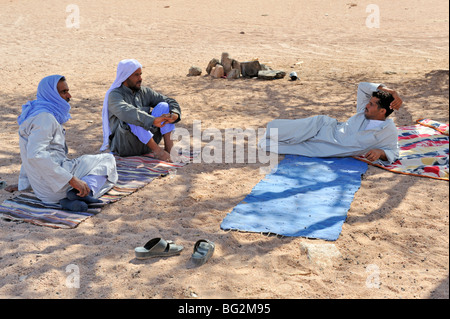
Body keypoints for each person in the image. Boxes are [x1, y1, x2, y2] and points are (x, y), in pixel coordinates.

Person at [5, 75, 118, 212]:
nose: (69, 95)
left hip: (44, 194)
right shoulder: (45, 118)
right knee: (108, 159)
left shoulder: (34, 114)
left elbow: (28, 153)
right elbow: (35, 155)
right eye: (63, 92)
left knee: (83, 164)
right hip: (58, 185)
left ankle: (68, 201)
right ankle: (85, 193)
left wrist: (25, 184)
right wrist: (71, 180)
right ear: (51, 94)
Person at [259, 82, 403, 164]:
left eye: (371, 104)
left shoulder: (388, 130)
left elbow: (394, 152)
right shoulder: (363, 112)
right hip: (321, 126)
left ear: (382, 111)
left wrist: (380, 152)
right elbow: (363, 86)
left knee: (271, 145)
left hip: (327, 147)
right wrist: (391, 91)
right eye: (368, 102)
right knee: (274, 131)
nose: (367, 105)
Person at [100, 59, 181, 161]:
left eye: (140, 74)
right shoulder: (115, 95)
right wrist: (152, 120)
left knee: (164, 106)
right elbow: (126, 111)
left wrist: (174, 113)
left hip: (145, 146)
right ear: (126, 76)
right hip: (125, 146)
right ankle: (158, 152)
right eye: (136, 75)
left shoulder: (144, 91)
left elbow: (169, 101)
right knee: (132, 116)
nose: (140, 78)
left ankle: (170, 149)